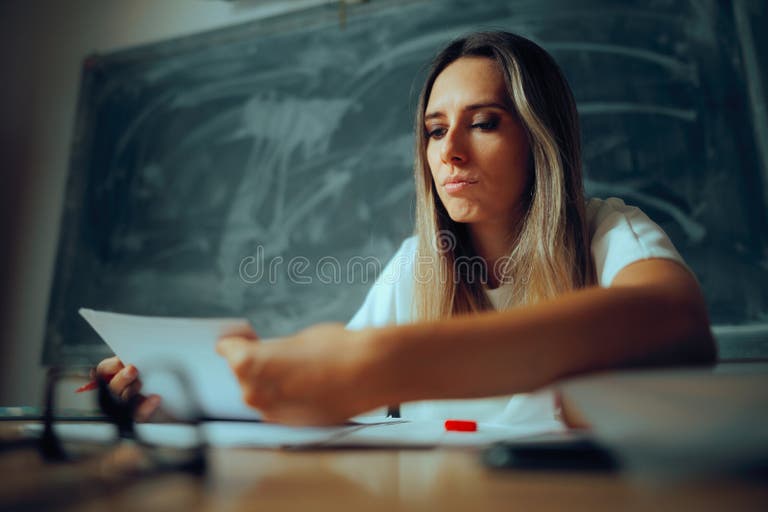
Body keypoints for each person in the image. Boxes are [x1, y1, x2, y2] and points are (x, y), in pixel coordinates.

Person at [95, 31, 715, 427]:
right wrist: (175, 397)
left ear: (539, 138)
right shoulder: (417, 264)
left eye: (485, 122)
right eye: (436, 130)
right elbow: (327, 393)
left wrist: (380, 362)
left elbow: (676, 322)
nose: (450, 153)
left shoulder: (611, 233)